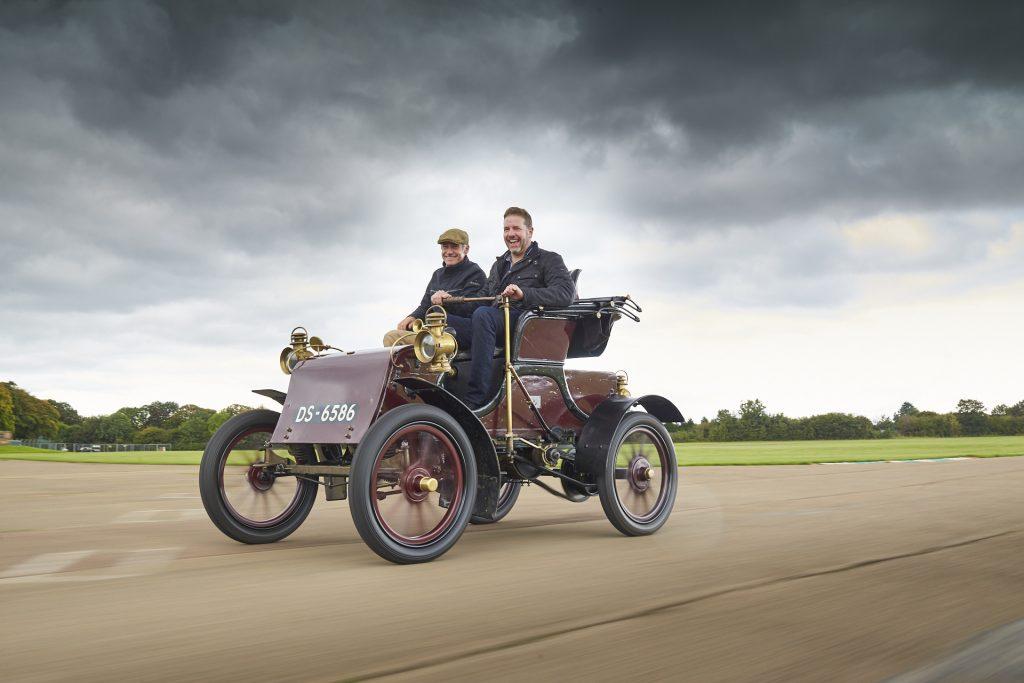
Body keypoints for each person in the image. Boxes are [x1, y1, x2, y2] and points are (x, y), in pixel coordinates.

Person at [444, 206, 575, 408]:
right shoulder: (499, 265)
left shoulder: (549, 260)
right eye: (506, 229)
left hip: (525, 329)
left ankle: (476, 399)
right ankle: (440, 392)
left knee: (483, 316)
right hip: (491, 324)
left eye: (516, 228)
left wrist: (524, 293)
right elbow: (481, 300)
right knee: (440, 320)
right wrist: (448, 302)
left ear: (530, 232)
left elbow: (566, 294)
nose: (510, 234)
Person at [382, 228, 486, 347]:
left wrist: (447, 301)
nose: (449, 251)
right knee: (392, 337)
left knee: (397, 340)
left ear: (466, 249)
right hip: (432, 330)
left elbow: (471, 309)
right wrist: (412, 317)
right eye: (445, 247)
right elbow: (425, 305)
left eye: (454, 247)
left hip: (455, 334)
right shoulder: (437, 275)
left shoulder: (476, 273)